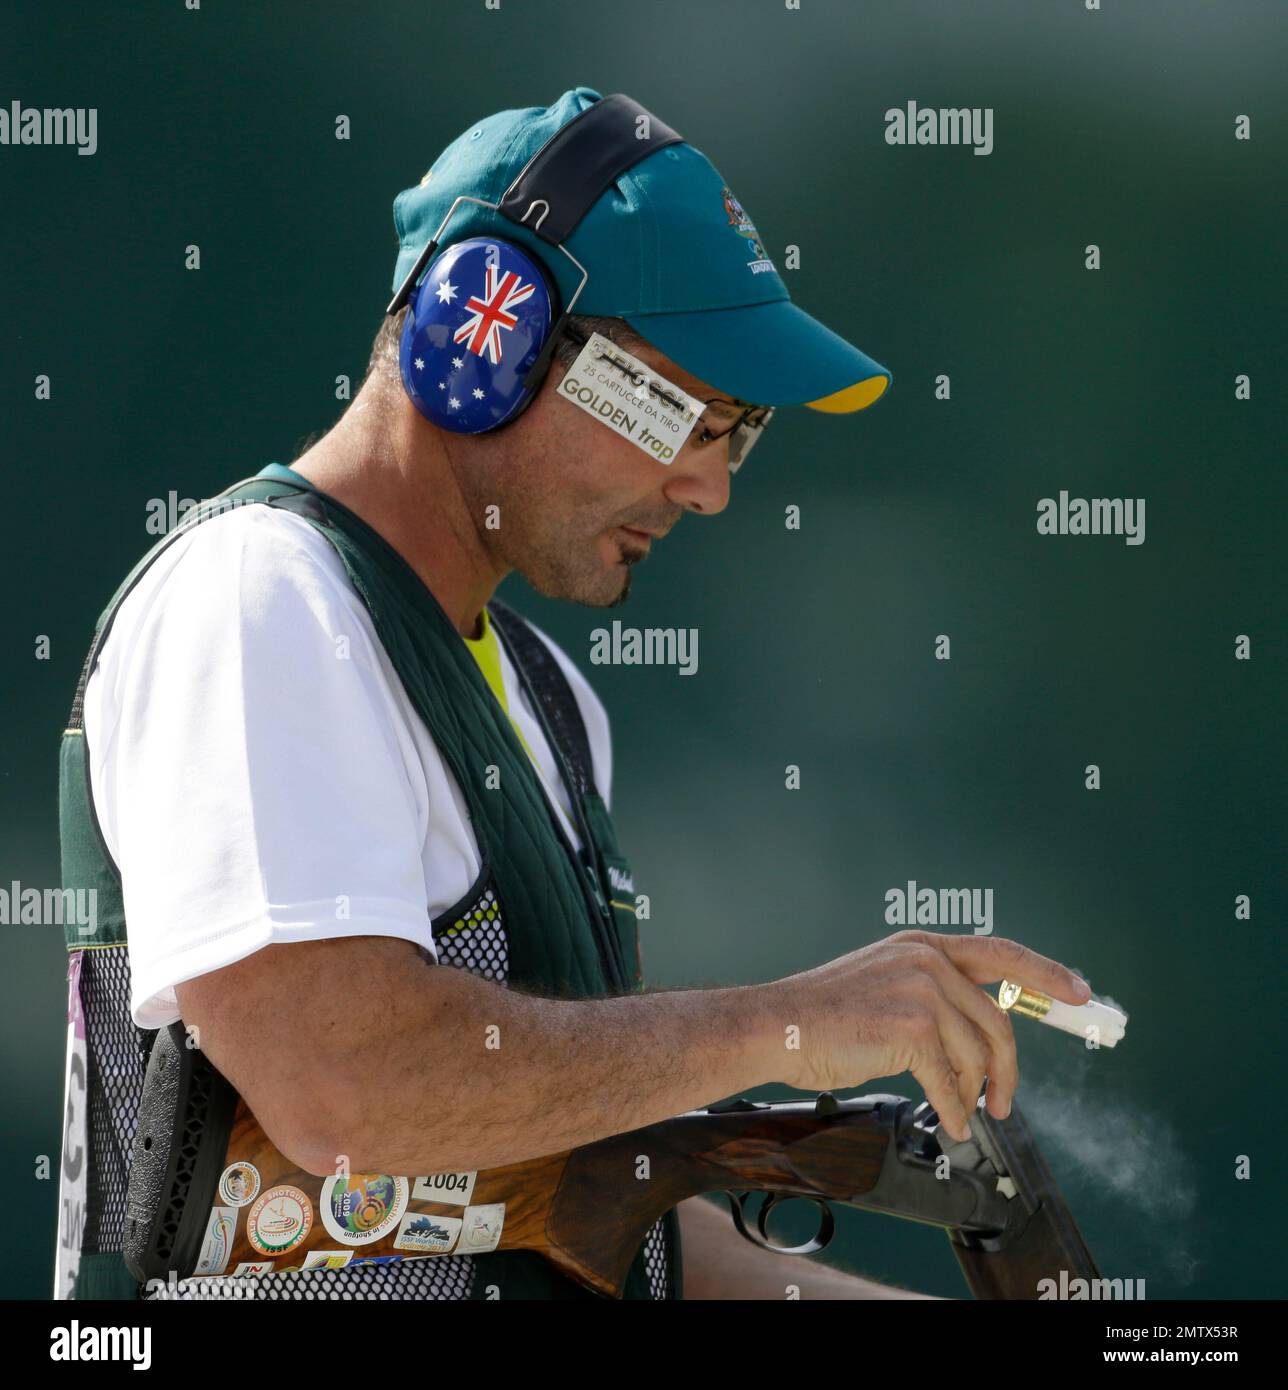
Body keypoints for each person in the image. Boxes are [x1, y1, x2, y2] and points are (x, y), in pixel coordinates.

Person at [55, 86, 1091, 1302]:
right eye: (686, 413)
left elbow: (580, 1212)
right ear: (481, 333)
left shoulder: (548, 701)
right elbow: (344, 1091)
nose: (709, 487)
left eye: (741, 433)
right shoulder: (263, 601)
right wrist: (788, 1023)